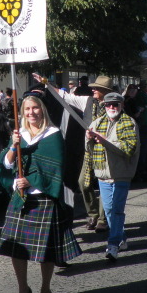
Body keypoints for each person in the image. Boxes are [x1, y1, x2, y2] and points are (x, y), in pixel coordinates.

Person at [0, 95, 81, 293]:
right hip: (21, 199)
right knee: (16, 249)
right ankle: (23, 289)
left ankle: (45, 288)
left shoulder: (53, 135)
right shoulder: (19, 135)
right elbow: (6, 165)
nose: (31, 112)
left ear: (42, 110)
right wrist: (14, 147)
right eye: (27, 109)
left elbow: (56, 169)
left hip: (44, 199)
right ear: (22, 113)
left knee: (47, 251)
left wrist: (31, 180)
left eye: (35, 108)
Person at [37, 72, 115, 232]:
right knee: (83, 183)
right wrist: (46, 82)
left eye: (97, 88)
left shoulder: (114, 106)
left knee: (104, 183)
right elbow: (65, 96)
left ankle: (102, 219)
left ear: (105, 91)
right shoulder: (87, 101)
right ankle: (93, 213)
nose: (93, 90)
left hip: (106, 149)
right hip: (90, 148)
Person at [87, 91, 139, 262]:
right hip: (103, 175)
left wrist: (105, 141)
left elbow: (129, 148)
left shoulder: (129, 123)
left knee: (116, 210)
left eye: (115, 104)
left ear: (121, 105)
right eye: (108, 104)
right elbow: (88, 150)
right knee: (109, 211)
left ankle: (113, 244)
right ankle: (121, 238)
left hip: (121, 174)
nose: (111, 107)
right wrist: (89, 139)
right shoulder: (97, 122)